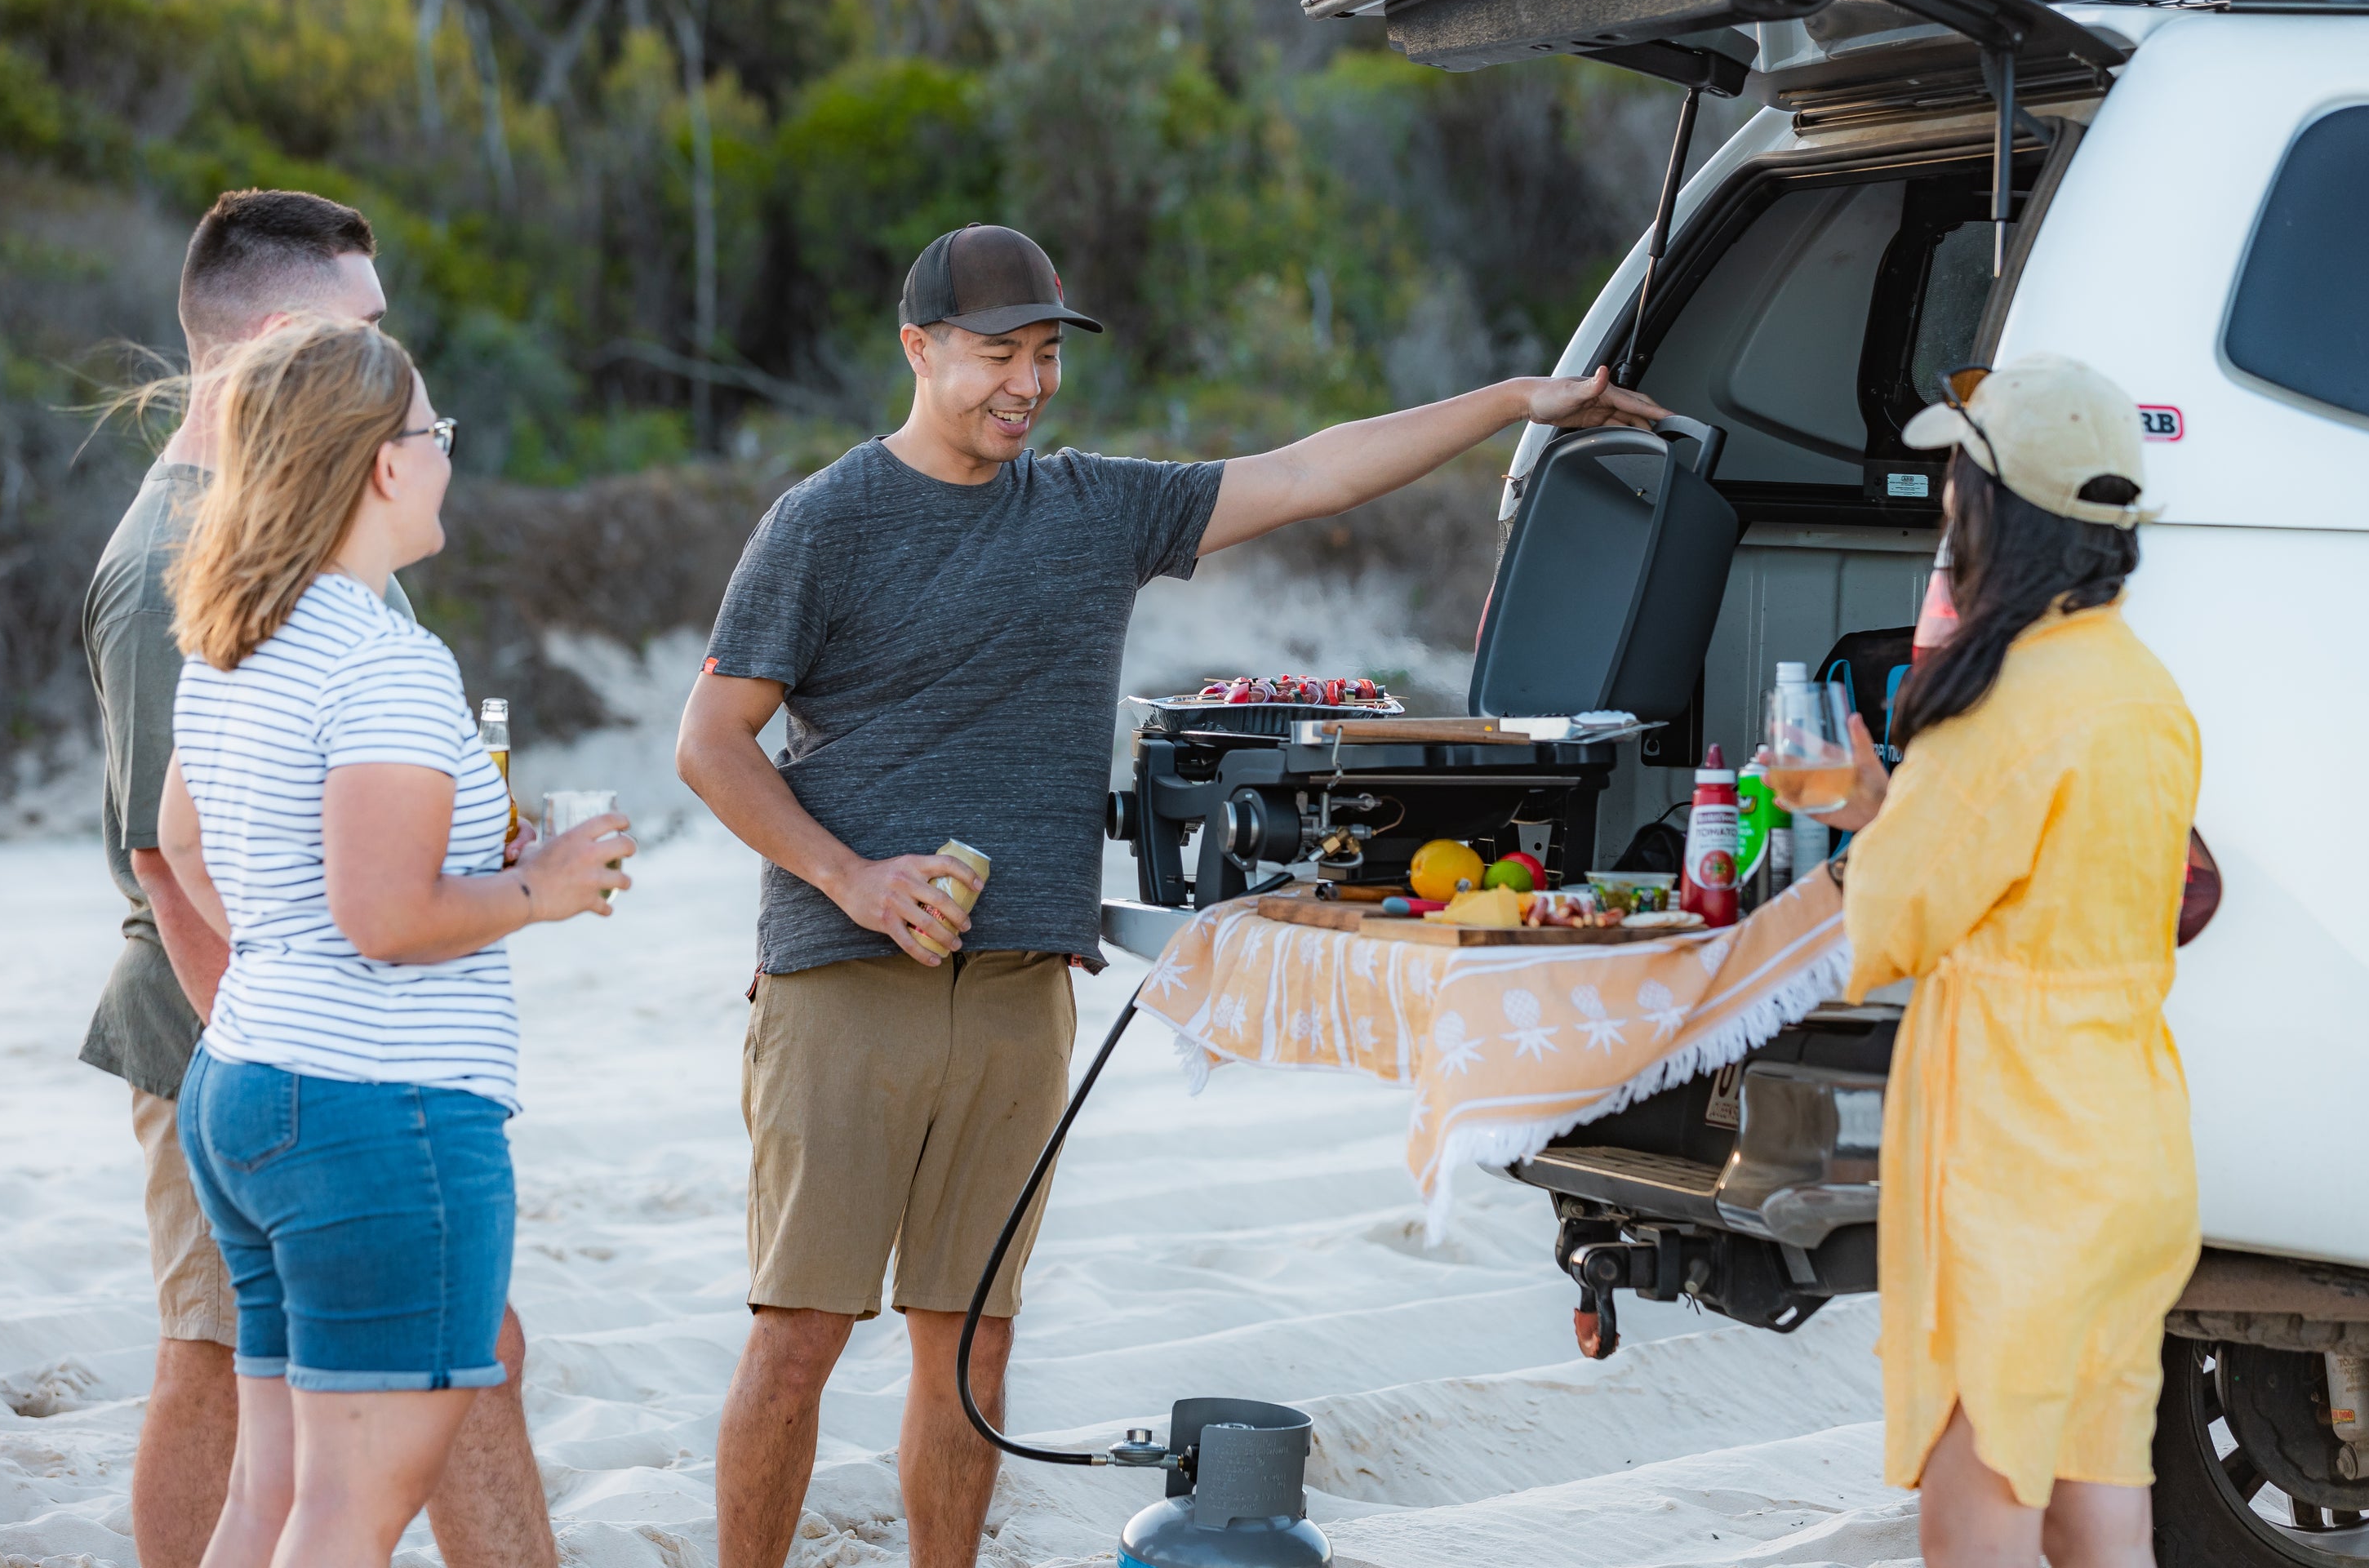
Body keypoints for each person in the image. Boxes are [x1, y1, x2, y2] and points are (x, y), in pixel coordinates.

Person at [673, 222, 1669, 1568]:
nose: (1025, 385)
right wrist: (854, 880)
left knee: (972, 1346)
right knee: (799, 1339)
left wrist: (1512, 404)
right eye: (993, 356)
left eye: (1043, 356)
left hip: (1024, 986)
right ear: (918, 350)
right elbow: (711, 742)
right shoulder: (826, 522)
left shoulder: (1095, 510)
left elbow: (1312, 470)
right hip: (845, 984)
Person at [82, 187, 559, 1568]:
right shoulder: (184, 549)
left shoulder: (270, 537)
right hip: (254, 1036)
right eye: (368, 334)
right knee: (243, 1388)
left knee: (382, 1400)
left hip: (290, 1044)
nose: (415, 391)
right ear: (295, 344)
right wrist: (291, 1034)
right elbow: (167, 853)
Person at [151, 314, 633, 1568]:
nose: (448, 457)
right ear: (382, 463)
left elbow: (183, 841)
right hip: (383, 1116)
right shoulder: (384, 662)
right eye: (436, 432)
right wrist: (548, 888)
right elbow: (384, 916)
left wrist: (285, 946)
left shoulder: (231, 642)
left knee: (272, 1500)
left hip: (248, 1083)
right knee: (345, 1518)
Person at [1813, 354, 2199, 1568]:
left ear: (1993, 510)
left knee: (1977, 1503)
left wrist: (1873, 815)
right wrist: (1896, 801)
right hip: (2128, 1146)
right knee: (2099, 1513)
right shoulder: (2143, 688)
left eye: (1955, 478)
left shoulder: (2004, 702)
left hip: (2017, 1163)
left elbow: (1889, 923)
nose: (1942, 500)